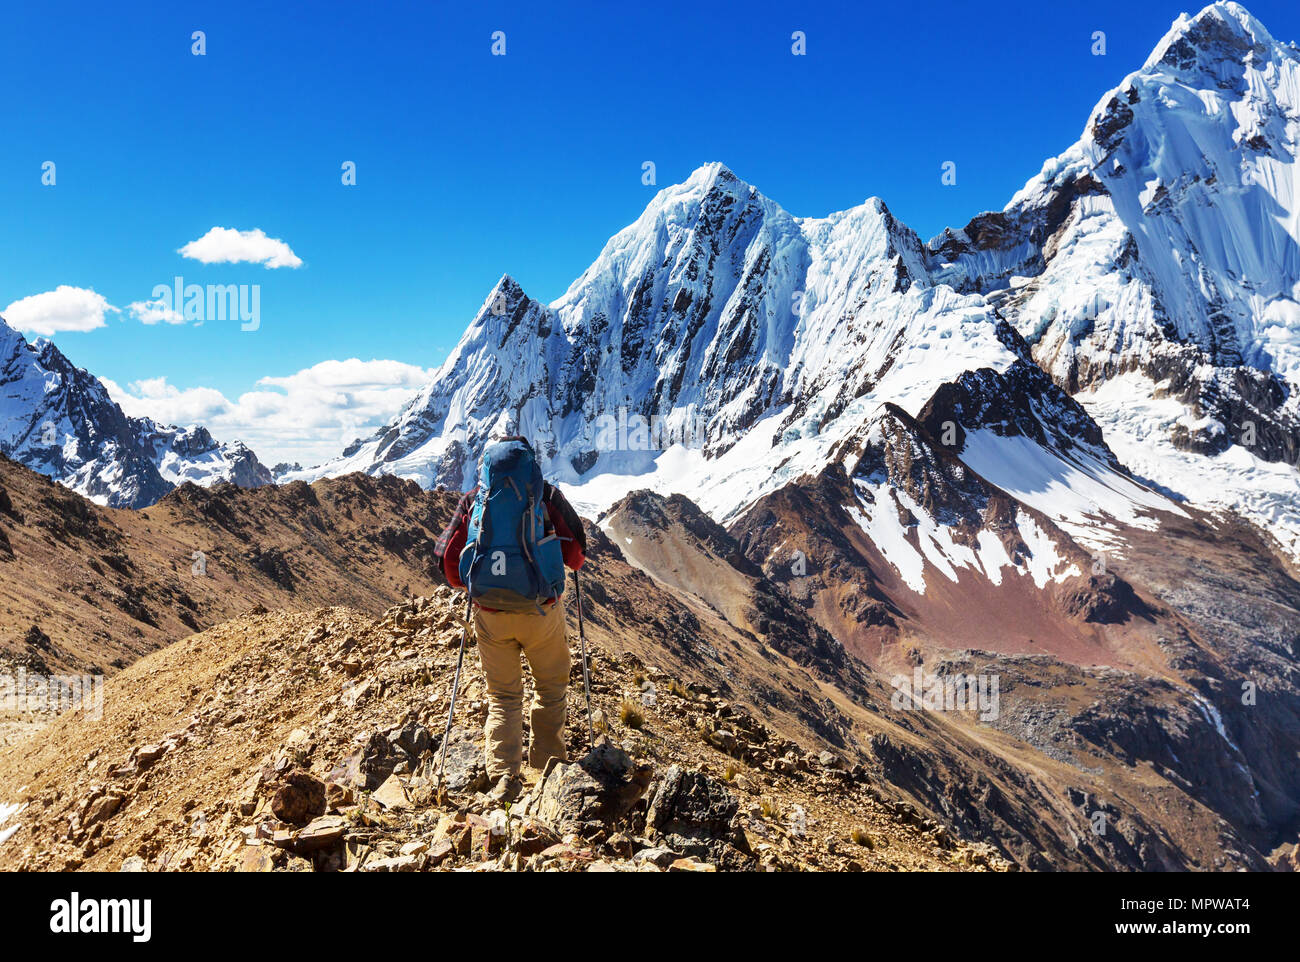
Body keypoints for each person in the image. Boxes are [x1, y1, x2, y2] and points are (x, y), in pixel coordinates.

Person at [434, 436, 587, 803]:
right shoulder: (546, 495)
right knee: (550, 688)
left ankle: (504, 777)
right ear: (529, 463)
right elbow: (577, 555)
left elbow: (447, 561)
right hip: (540, 611)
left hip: (491, 614)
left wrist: (479, 586)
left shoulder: (475, 500)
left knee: (503, 695)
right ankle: (549, 772)